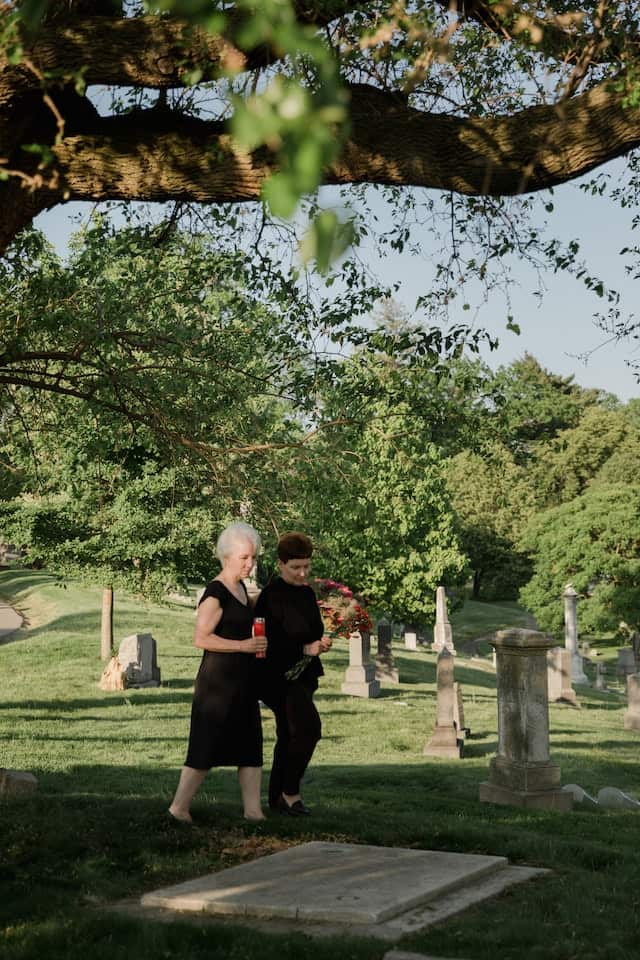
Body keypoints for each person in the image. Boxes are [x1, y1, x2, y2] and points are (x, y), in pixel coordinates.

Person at [168, 521, 268, 824]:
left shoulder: (239, 588)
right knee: (205, 747)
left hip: (243, 683)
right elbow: (201, 638)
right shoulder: (216, 592)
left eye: (253, 558)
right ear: (227, 557)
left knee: (251, 747)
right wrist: (243, 645)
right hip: (217, 685)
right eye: (244, 558)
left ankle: (253, 812)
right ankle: (178, 808)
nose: (251, 564)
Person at [255, 531, 332, 815]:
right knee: (308, 730)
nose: (303, 573)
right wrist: (305, 648)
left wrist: (320, 643)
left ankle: (277, 797)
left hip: (304, 675)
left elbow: (314, 630)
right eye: (296, 567)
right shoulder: (271, 596)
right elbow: (268, 642)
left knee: (289, 735)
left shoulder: (307, 593)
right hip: (278, 677)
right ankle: (290, 792)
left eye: (307, 566)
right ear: (281, 564)